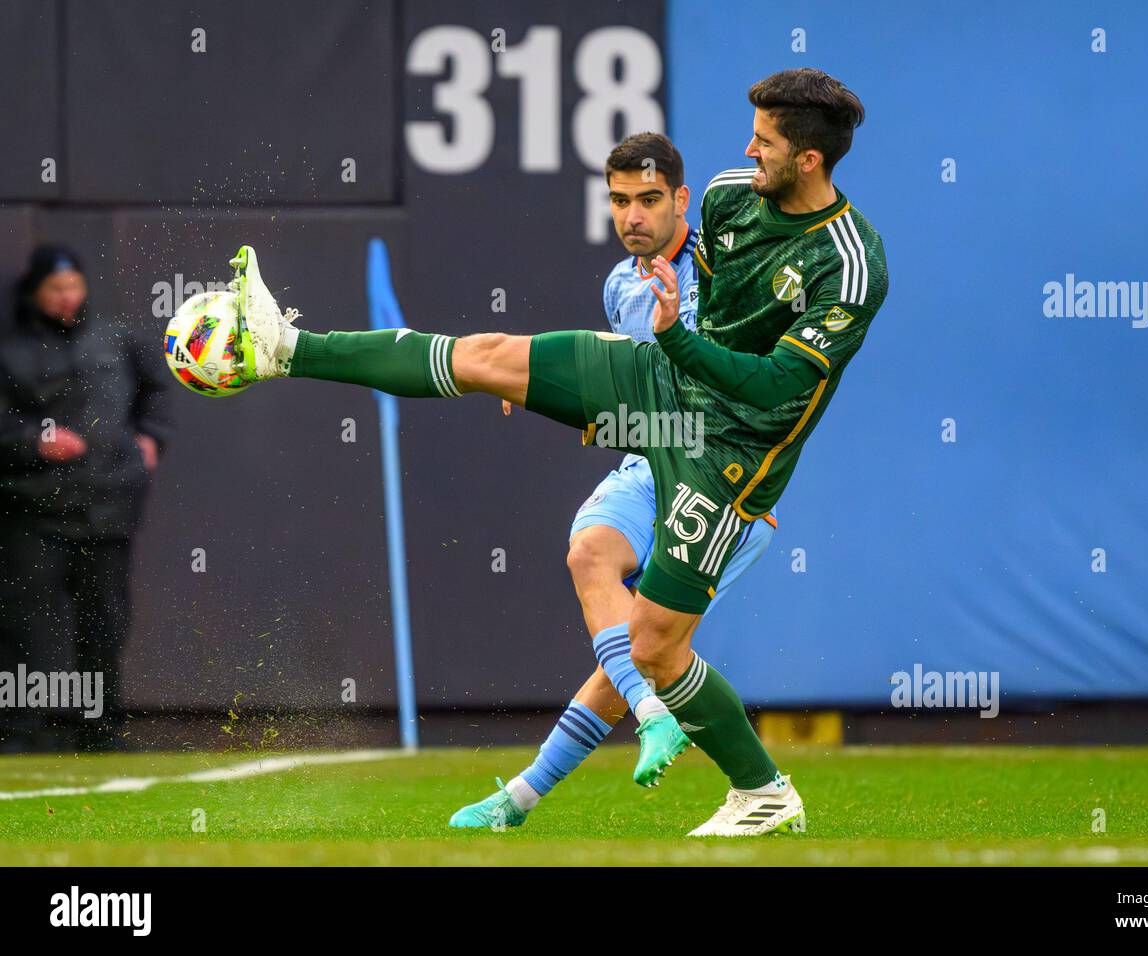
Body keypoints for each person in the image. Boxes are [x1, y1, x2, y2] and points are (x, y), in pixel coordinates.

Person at [225, 68, 886, 837]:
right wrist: (614, 376)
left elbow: (775, 391)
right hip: (662, 386)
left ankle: (762, 791)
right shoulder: (730, 194)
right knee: (487, 356)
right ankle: (286, 346)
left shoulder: (851, 263)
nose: (748, 149)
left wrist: (673, 340)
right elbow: (692, 307)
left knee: (657, 650)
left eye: (766, 141)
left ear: (809, 159)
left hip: (730, 452)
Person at [448, 133, 778, 830]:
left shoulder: (726, 264)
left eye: (650, 200)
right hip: (650, 462)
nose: (633, 216)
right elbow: (627, 384)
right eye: (620, 200)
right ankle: (651, 719)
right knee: (590, 556)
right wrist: (541, 385)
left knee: (639, 655)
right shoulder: (619, 283)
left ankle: (523, 798)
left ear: (682, 200)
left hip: (722, 480)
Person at [0, 244, 172, 752]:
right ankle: (19, 731)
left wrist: (151, 437)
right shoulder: (9, 348)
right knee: (22, 622)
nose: (66, 296)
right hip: (32, 508)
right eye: (55, 288)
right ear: (34, 292)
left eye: (73, 285)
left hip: (107, 505)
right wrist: (34, 441)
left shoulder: (115, 339)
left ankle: (99, 730)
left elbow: (156, 391)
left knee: (104, 621)